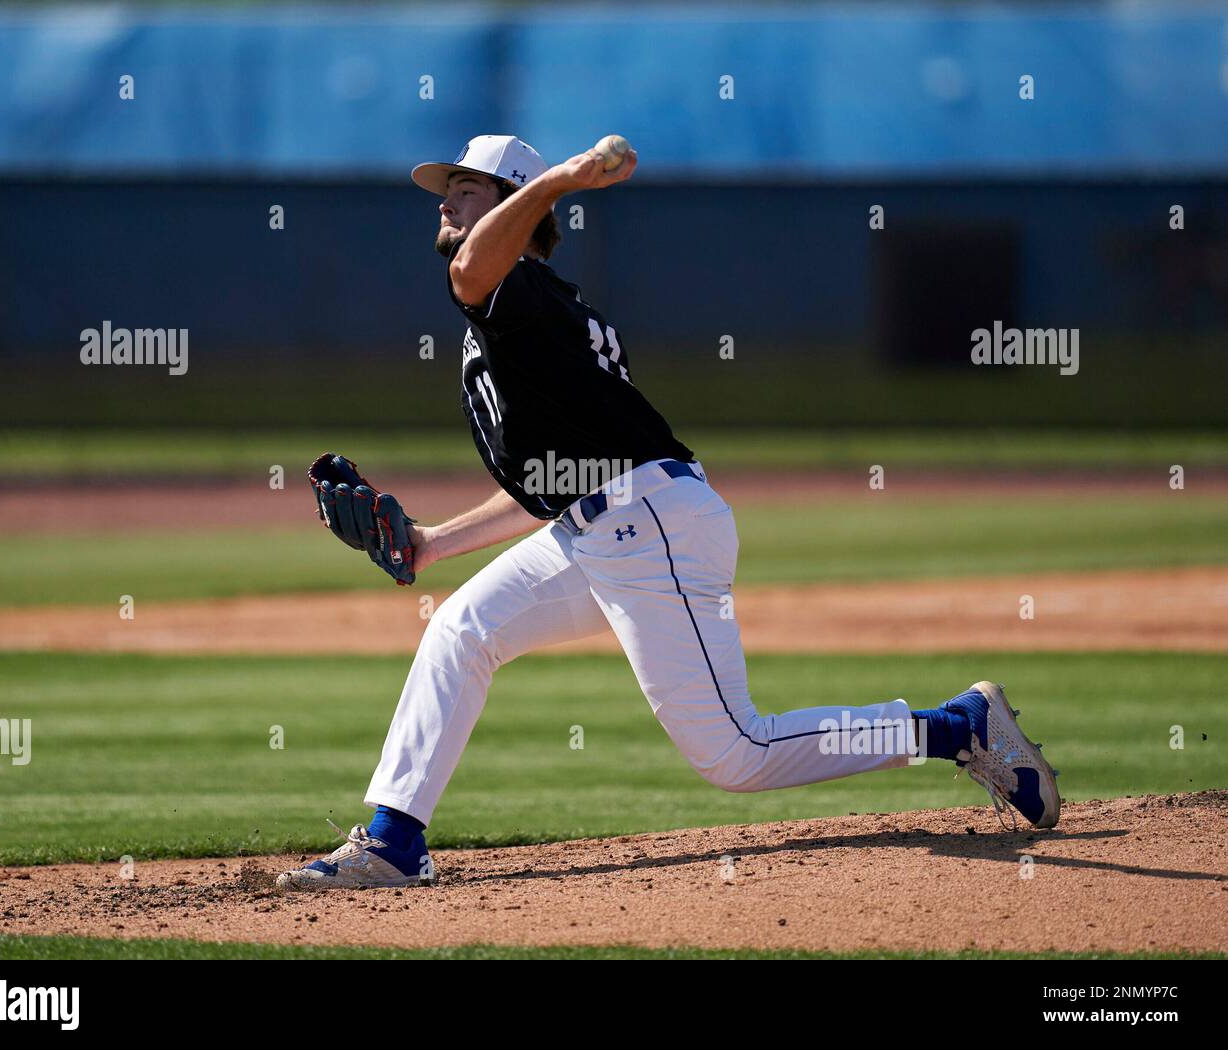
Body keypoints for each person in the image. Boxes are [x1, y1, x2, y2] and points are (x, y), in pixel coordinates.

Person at [276, 135, 1060, 892]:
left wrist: (565, 180)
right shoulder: (522, 311)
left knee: (736, 755)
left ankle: (957, 728)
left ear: (515, 207)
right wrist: (429, 544)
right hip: (603, 524)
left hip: (647, 525)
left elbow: (479, 265)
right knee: (459, 630)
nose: (447, 207)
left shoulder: (508, 284)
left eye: (468, 191)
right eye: (446, 195)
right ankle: (394, 841)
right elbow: (547, 479)